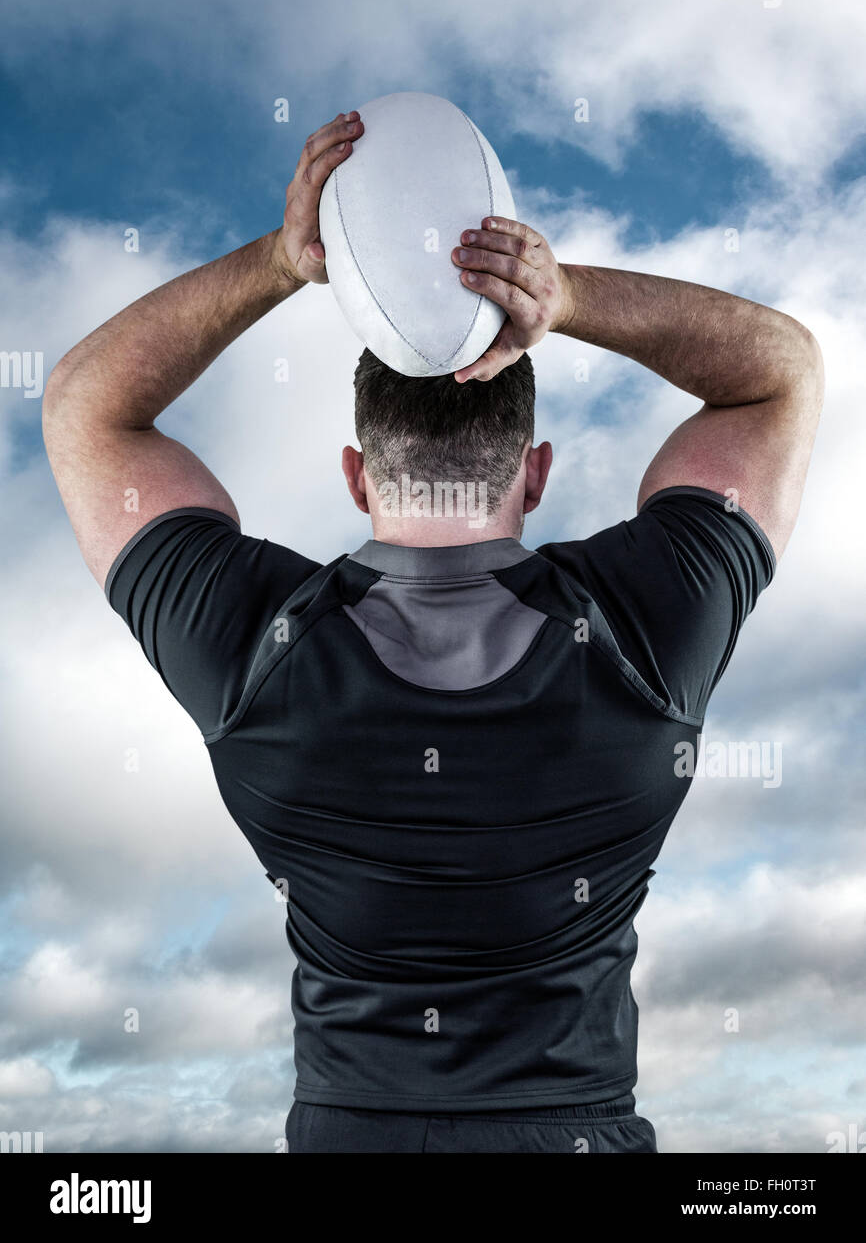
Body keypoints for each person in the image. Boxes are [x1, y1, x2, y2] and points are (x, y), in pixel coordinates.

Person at [42, 110, 824, 1154]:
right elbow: (781, 371)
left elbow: (86, 407)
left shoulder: (250, 647)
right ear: (534, 473)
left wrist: (281, 263)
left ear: (357, 475)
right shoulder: (647, 621)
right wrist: (565, 296)